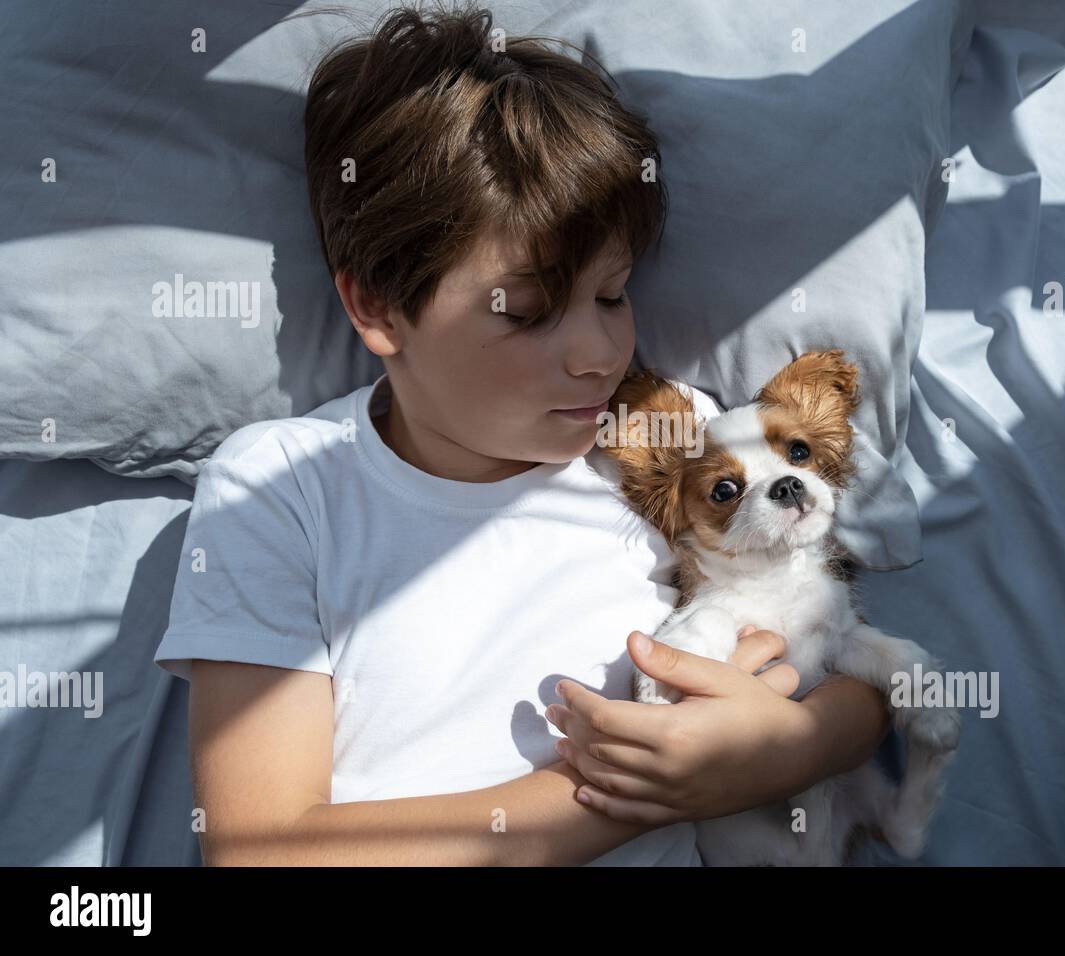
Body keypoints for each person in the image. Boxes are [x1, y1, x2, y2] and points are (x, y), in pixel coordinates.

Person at [152, 1, 889, 865]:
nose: (601, 353)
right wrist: (648, 792)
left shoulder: (672, 441)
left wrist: (791, 750)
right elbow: (259, 851)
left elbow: (849, 670)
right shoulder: (281, 486)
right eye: (530, 314)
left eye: (613, 295)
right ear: (378, 307)